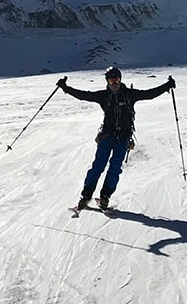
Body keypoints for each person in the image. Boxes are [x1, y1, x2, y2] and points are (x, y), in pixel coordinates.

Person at [57, 66, 175, 210]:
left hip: (123, 138)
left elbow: (149, 94)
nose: (114, 83)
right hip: (107, 136)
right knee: (97, 167)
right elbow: (83, 95)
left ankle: (105, 197)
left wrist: (167, 86)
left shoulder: (129, 95)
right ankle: (86, 196)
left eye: (116, 80)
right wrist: (65, 87)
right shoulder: (103, 96)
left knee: (114, 169)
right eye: (111, 80)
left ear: (120, 79)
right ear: (107, 81)